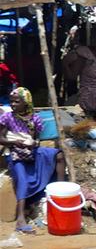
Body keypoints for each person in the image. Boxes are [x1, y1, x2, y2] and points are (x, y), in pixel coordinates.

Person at [0, 88, 66, 234]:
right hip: (15, 152)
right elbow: (1, 138)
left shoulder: (35, 119)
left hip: (32, 151)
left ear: (26, 103)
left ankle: (60, 193)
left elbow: (36, 139)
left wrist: (32, 142)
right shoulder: (8, 118)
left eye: (17, 101)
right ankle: (20, 218)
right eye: (11, 102)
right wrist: (16, 142)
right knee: (22, 179)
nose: (13, 104)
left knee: (58, 156)